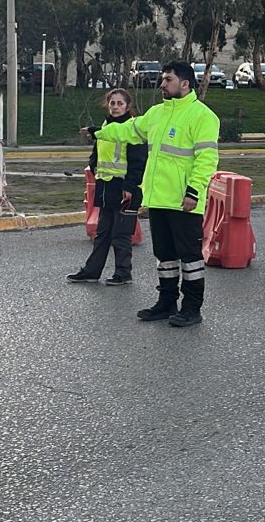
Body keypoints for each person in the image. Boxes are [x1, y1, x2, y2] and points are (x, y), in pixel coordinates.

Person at [83, 62, 220, 328]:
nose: (162, 84)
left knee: (190, 258)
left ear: (185, 84)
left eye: (168, 79)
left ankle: (192, 308)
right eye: (162, 79)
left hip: (184, 201)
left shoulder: (202, 116)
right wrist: (98, 132)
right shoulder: (157, 114)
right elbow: (127, 130)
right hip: (158, 199)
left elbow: (206, 160)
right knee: (165, 256)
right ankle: (166, 303)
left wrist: (193, 191)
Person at [68, 88, 146, 286]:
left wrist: (129, 186)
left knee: (121, 235)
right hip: (106, 186)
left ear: (128, 106)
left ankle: (123, 273)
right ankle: (92, 272)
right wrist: (94, 166)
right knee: (102, 234)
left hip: (125, 189)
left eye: (120, 103)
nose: (116, 107)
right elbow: (98, 152)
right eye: (112, 103)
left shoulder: (133, 128)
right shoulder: (105, 126)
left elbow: (138, 162)